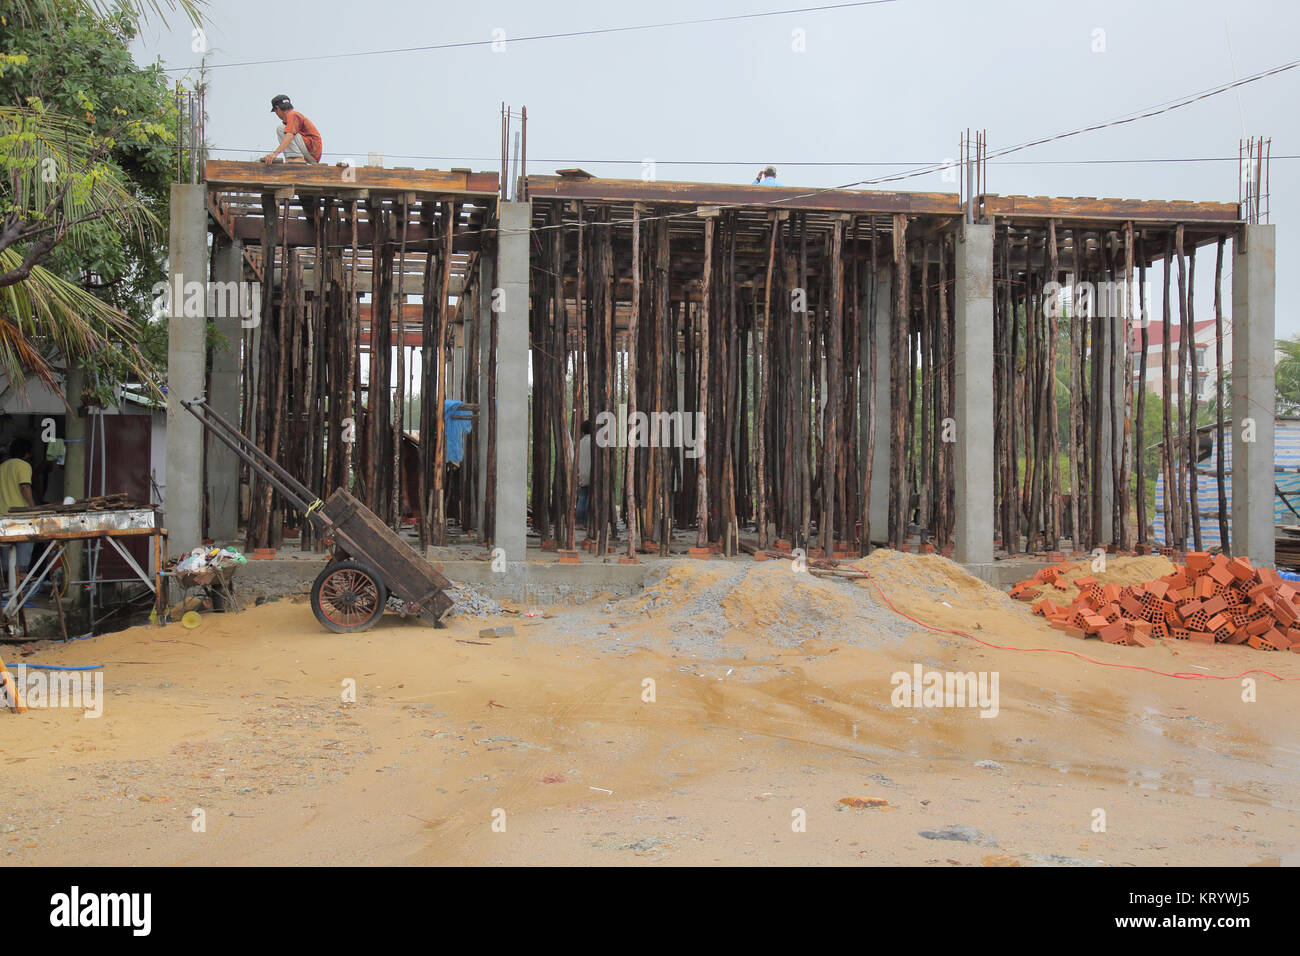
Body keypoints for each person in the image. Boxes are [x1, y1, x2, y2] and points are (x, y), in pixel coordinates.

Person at [0, 438, 36, 589]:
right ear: (27, 453)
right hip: (19, 514)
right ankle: (21, 574)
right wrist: (34, 509)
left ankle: (7, 577)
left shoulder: (2, 466)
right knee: (27, 540)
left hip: (2, 514)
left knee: (6, 546)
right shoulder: (23, 466)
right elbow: (25, 487)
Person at [262, 94, 322, 166]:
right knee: (285, 129)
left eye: (276, 112)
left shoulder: (292, 114)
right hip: (312, 153)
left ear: (277, 108)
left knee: (281, 129)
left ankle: (296, 157)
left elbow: (290, 135)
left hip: (312, 151)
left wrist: (274, 154)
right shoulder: (293, 116)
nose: (277, 114)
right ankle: (294, 158)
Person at [576, 420, 593, 527]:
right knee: (589, 499)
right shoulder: (595, 442)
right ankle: (586, 523)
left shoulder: (580, 443)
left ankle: (578, 522)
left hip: (581, 474)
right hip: (592, 474)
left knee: (582, 497)